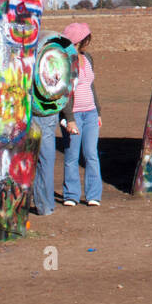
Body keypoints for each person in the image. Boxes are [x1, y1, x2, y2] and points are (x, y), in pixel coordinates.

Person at [60, 22, 104, 206]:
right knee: (71, 156)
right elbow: (64, 91)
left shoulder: (89, 58)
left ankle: (93, 195)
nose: (88, 41)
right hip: (74, 115)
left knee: (91, 154)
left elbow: (91, 85)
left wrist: (98, 112)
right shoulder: (64, 61)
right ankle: (71, 195)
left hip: (91, 113)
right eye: (86, 38)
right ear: (78, 41)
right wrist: (69, 119)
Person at [31, 110, 59, 215]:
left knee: (42, 162)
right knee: (46, 161)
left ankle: (44, 206)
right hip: (51, 113)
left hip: (39, 113)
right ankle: (47, 204)